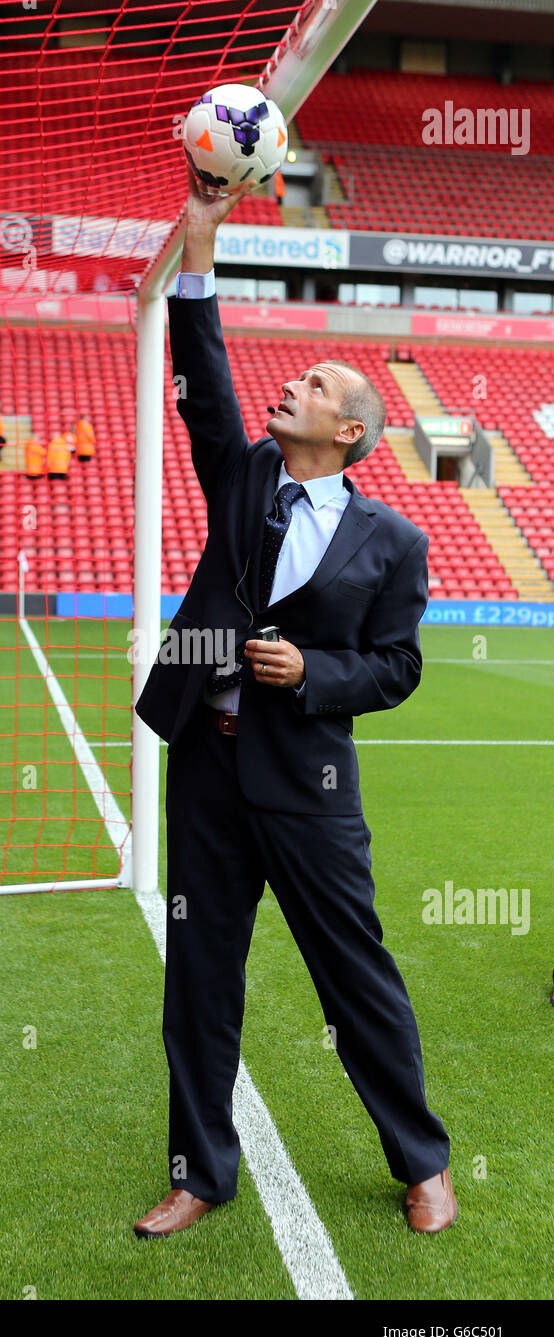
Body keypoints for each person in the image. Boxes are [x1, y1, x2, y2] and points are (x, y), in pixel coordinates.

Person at [133, 171, 455, 1241]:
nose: (291, 387)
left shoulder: (393, 544)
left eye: (313, 384)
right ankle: (197, 1172)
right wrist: (201, 241)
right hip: (207, 767)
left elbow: (396, 668)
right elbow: (203, 365)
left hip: (310, 786)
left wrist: (313, 676)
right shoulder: (240, 472)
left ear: (351, 430)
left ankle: (419, 1160)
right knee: (199, 980)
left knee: (353, 976)